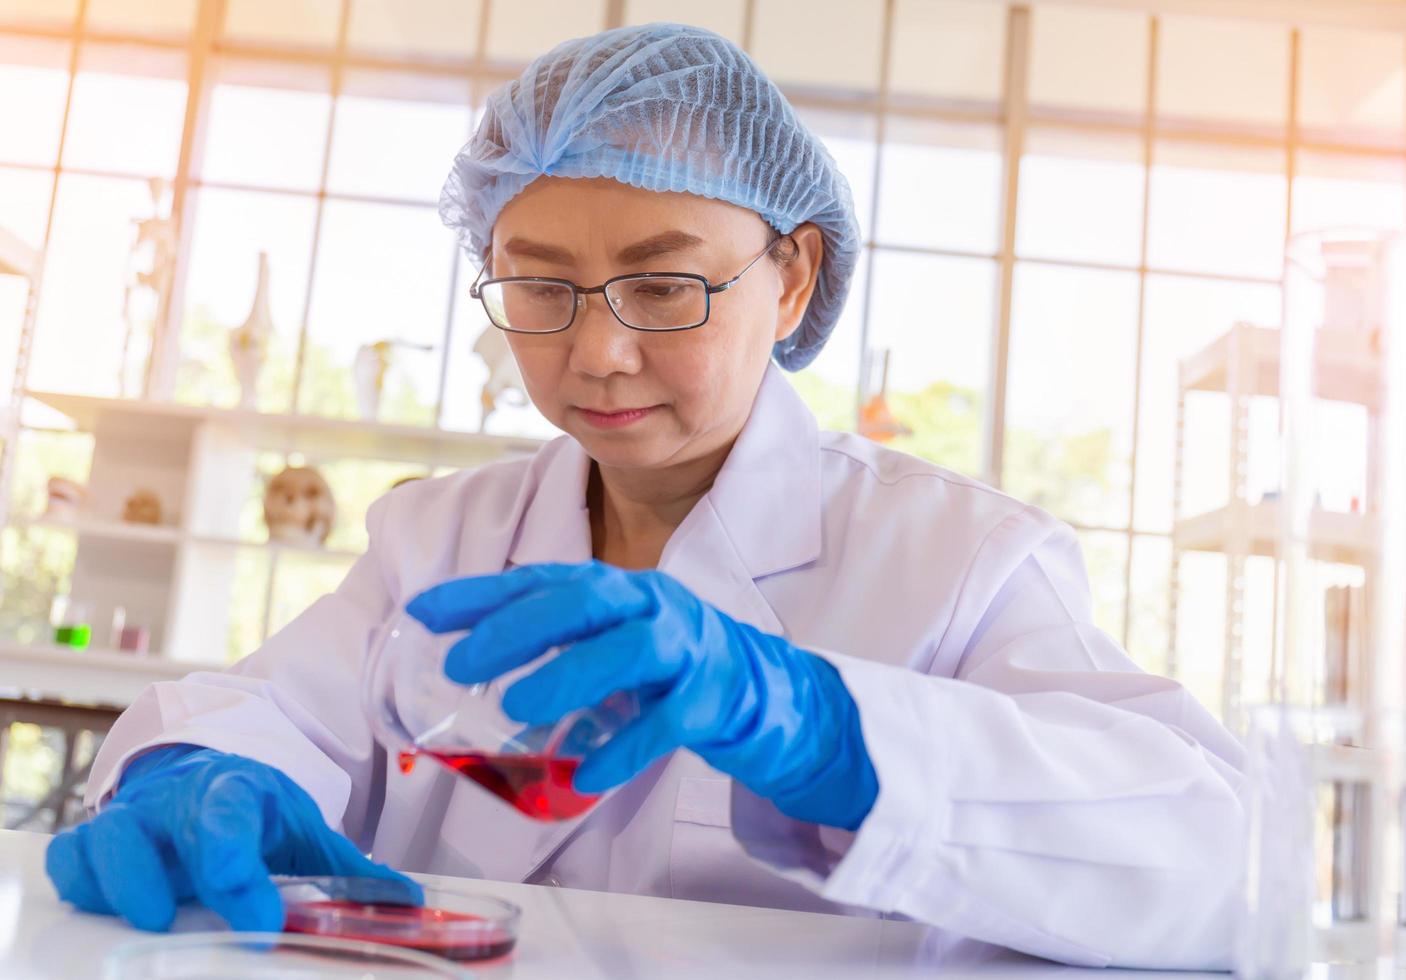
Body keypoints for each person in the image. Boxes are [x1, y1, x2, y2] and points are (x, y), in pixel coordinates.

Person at [47, 23, 1245, 969]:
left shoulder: (961, 554)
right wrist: (194, 769)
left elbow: (1202, 863)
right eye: (540, 284)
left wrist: (828, 730)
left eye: (663, 284)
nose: (599, 352)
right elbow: (278, 716)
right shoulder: (440, 534)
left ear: (791, 279)